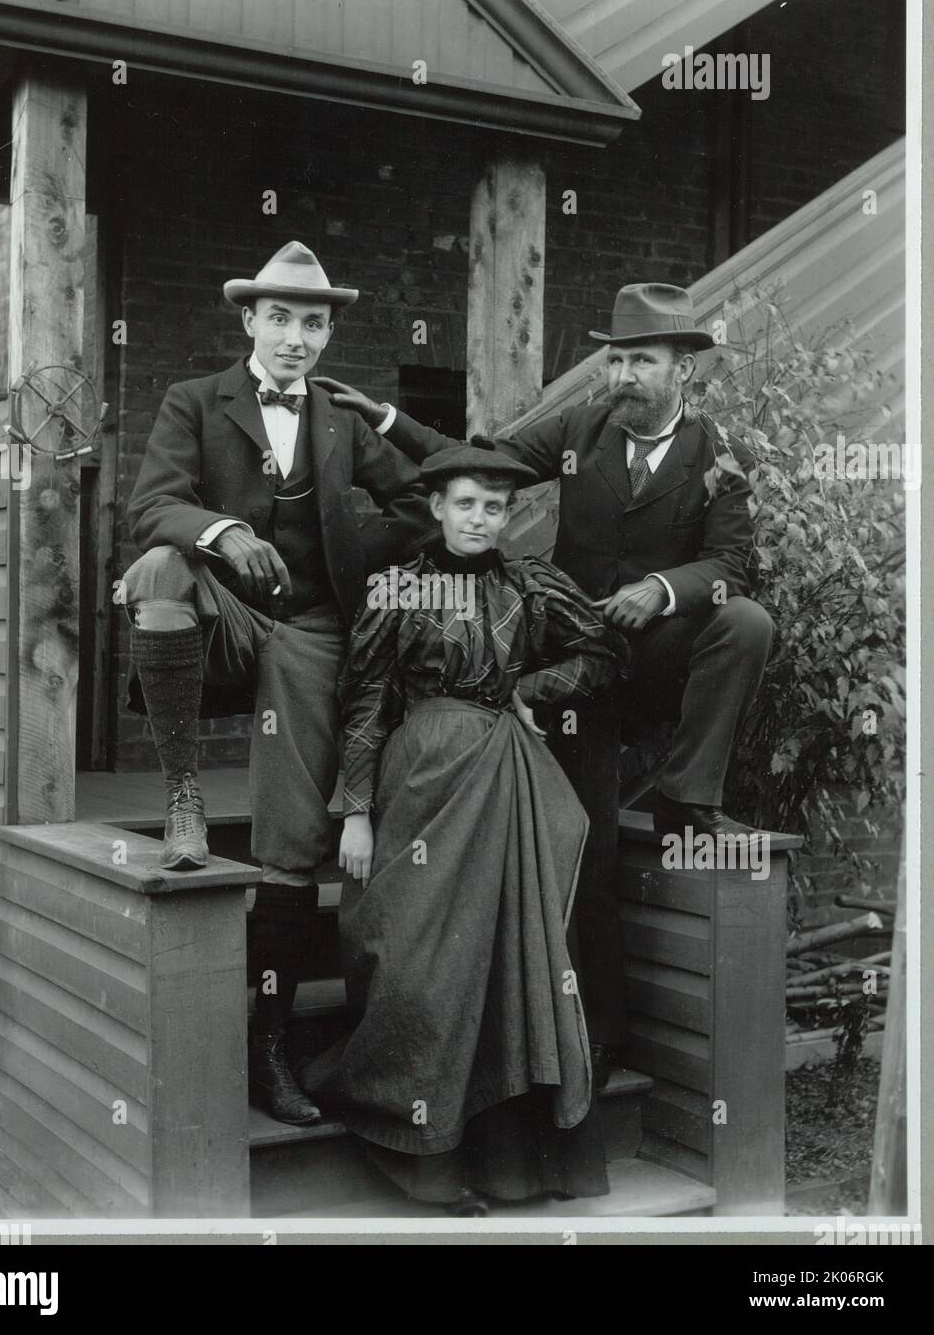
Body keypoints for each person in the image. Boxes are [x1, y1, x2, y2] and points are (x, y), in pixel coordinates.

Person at [314, 282, 775, 1078]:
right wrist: (386, 419)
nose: (623, 375)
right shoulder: (580, 427)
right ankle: (594, 1031)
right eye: (617, 359)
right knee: (581, 849)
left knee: (745, 622)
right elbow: (482, 460)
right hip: (570, 675)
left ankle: (686, 801)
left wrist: (662, 590)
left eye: (642, 361)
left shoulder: (719, 460)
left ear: (683, 373)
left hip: (654, 656)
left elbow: (732, 564)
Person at [119, 241, 434, 1126]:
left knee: (292, 836)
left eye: (314, 322)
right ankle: (184, 794)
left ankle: (267, 1046)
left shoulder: (339, 417)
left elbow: (418, 501)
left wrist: (348, 561)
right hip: (223, 603)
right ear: (249, 320)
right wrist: (218, 532)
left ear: (328, 333)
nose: (296, 337)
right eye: (281, 318)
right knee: (153, 573)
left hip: (310, 624)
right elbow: (151, 506)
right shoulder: (195, 402)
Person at [300, 445, 629, 1216]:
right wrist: (353, 810)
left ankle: (514, 1166)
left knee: (515, 950)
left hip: (509, 775)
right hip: (420, 780)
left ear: (506, 515)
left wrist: (529, 687)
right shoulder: (398, 590)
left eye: (493, 506)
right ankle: (423, 1158)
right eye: (466, 504)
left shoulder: (531, 585)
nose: (479, 518)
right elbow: (363, 699)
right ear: (437, 508)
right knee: (423, 956)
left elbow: (607, 651)